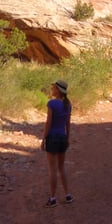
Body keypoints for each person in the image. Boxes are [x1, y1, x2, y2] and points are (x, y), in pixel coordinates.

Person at [41, 78, 72, 207]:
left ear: (58, 90)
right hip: (63, 137)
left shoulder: (52, 104)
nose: (52, 89)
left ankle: (53, 198)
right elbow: (67, 123)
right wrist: (68, 138)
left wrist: (44, 138)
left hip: (53, 137)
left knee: (52, 169)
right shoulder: (68, 104)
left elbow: (49, 122)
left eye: (54, 88)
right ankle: (67, 195)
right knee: (61, 167)